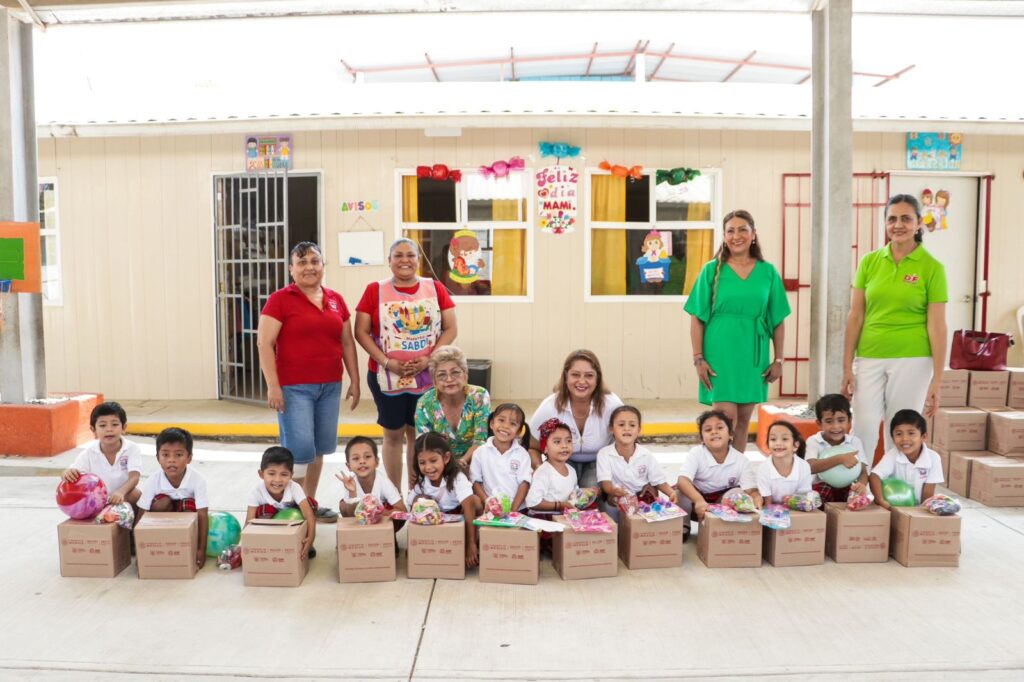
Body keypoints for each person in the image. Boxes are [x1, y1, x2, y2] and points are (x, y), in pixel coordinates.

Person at [258, 241, 361, 522]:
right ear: (291, 269)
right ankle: (294, 509)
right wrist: (273, 386)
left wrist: (355, 380)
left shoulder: (335, 299)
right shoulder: (280, 299)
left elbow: (347, 344)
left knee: (318, 450)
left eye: (314, 261)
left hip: (329, 386)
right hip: (294, 388)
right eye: (302, 262)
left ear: (322, 267)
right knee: (299, 451)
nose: (309, 267)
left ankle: (309, 503)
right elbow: (264, 343)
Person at [842, 194, 948, 460]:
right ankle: (860, 483)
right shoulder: (869, 262)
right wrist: (846, 367)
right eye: (892, 219)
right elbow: (855, 316)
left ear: (918, 224)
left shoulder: (932, 267)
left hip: (913, 358)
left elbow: (937, 325)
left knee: (901, 427)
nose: (897, 224)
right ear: (885, 224)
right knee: (864, 425)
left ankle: (896, 484)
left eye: (905, 218)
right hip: (869, 355)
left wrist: (938, 377)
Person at [355, 238, 458, 488]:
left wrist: (429, 359)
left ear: (418, 260)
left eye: (410, 255)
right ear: (389, 261)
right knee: (392, 434)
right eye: (398, 255)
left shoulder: (434, 288)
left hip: (425, 376)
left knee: (418, 434)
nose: (404, 260)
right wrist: (387, 361)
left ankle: (415, 491)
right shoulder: (374, 290)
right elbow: (361, 332)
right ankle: (393, 495)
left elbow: (451, 328)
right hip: (386, 376)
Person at [684, 209, 791, 449]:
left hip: (753, 354)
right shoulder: (711, 270)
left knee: (743, 421)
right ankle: (716, 476)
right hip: (720, 352)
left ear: (754, 234)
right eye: (730, 231)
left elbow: (777, 320)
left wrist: (779, 359)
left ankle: (735, 478)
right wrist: (698, 358)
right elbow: (696, 318)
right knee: (723, 421)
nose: (736, 235)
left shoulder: (768, 272)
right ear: (724, 236)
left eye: (743, 229)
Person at [528, 349, 623, 487]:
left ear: (598, 379)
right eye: (575, 375)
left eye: (589, 375)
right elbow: (532, 448)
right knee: (562, 496)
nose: (582, 381)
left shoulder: (612, 404)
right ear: (566, 377)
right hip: (560, 463)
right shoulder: (549, 407)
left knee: (591, 497)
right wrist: (540, 469)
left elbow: (629, 442)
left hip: (599, 463)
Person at [407, 432, 482, 568]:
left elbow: (469, 507)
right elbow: (410, 508)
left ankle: (474, 540)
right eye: (422, 463)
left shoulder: (457, 477)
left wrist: (470, 544)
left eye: (433, 460)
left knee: (474, 501)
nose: (428, 467)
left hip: (462, 519)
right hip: (438, 522)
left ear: (446, 458)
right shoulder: (421, 483)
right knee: (418, 501)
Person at [136, 428, 208, 568]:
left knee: (189, 506)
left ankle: (187, 545)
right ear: (158, 458)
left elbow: (203, 515)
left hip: (185, 518)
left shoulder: (198, 480)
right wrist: (141, 552)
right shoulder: (153, 480)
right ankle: (162, 541)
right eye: (166, 455)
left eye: (178, 455)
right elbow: (142, 514)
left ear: (189, 458)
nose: (171, 460)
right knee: (162, 502)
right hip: (163, 519)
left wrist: (201, 550)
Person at [597, 406, 677, 520]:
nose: (627, 429)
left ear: (639, 429)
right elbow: (606, 484)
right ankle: (618, 529)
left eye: (632, 425)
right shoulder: (604, 453)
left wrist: (671, 493)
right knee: (611, 500)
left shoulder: (646, 455)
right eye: (621, 425)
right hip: (618, 500)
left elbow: (659, 481)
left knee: (653, 499)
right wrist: (614, 491)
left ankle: (639, 528)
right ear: (611, 428)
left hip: (641, 500)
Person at [415, 345, 490, 464]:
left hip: (476, 462)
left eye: (455, 372)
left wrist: (462, 463)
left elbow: (480, 440)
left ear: (465, 375)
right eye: (442, 374)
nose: (449, 379)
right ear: (434, 381)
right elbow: (425, 444)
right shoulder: (424, 403)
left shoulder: (479, 396)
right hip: (440, 465)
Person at [676, 410, 755, 521]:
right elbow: (682, 480)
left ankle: (722, 525)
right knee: (679, 494)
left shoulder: (741, 459)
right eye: (708, 430)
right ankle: (684, 525)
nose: (714, 432)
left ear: (730, 434)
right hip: (697, 506)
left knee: (738, 494)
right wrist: (698, 500)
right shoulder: (696, 453)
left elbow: (750, 490)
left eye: (720, 428)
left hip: (723, 506)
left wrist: (756, 498)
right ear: (702, 439)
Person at [61, 402, 142, 506]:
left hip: (125, 496)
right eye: (103, 425)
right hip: (99, 501)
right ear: (93, 430)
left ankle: (135, 521)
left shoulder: (132, 448)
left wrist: (120, 492)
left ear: (124, 427)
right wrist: (67, 473)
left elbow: (134, 477)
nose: (109, 429)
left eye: (115, 424)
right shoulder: (89, 453)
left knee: (135, 494)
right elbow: (73, 472)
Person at [245, 446, 316, 559]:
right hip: (270, 525)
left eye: (284, 474)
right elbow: (249, 522)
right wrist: (246, 547)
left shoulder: (294, 487)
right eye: (271, 473)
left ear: (291, 475)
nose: (277, 480)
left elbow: (309, 515)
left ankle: (302, 541)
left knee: (311, 504)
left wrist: (311, 538)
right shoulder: (256, 491)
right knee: (262, 511)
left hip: (293, 523)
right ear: (261, 474)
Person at [870, 409, 944, 509]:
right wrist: (880, 500)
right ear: (892, 438)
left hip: (918, 507)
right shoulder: (893, 455)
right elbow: (874, 476)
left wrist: (921, 512)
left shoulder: (934, 458)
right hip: (894, 506)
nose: (905, 439)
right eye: (899, 434)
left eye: (911, 433)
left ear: (923, 436)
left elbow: (928, 492)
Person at [805, 394, 869, 503]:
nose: (836, 426)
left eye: (841, 420)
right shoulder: (813, 441)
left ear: (849, 420)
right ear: (819, 423)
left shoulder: (854, 442)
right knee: (821, 492)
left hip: (848, 486)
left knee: (859, 498)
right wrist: (839, 459)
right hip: (820, 488)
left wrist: (861, 485)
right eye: (829, 421)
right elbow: (810, 467)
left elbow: (863, 472)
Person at [470, 403, 532, 511]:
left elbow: (524, 483)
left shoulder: (522, 454)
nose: (506, 426)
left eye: (512, 423)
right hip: (490, 508)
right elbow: (475, 482)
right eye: (501, 420)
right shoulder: (480, 452)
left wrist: (513, 510)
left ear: (518, 432)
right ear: (492, 424)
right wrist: (488, 502)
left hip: (518, 509)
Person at [336, 436, 407, 517]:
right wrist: (352, 493)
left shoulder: (383, 482)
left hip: (381, 519)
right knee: (343, 505)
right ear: (348, 466)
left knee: (396, 514)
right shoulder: (349, 482)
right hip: (360, 521)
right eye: (356, 458)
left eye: (367, 456)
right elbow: (350, 515)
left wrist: (381, 513)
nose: (362, 461)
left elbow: (403, 510)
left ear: (377, 462)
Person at [525, 418, 579, 516]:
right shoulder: (544, 472)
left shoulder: (572, 470)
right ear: (545, 448)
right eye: (557, 442)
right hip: (544, 520)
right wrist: (560, 505)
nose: (564, 446)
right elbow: (532, 502)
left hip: (563, 520)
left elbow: (572, 496)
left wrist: (583, 495)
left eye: (568, 441)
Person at [755, 421, 812, 507]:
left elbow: (804, 498)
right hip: (772, 511)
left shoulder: (803, 466)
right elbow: (767, 502)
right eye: (773, 439)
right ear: (768, 444)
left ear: (795, 446)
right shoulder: (763, 468)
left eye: (785, 439)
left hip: (797, 509)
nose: (778, 443)